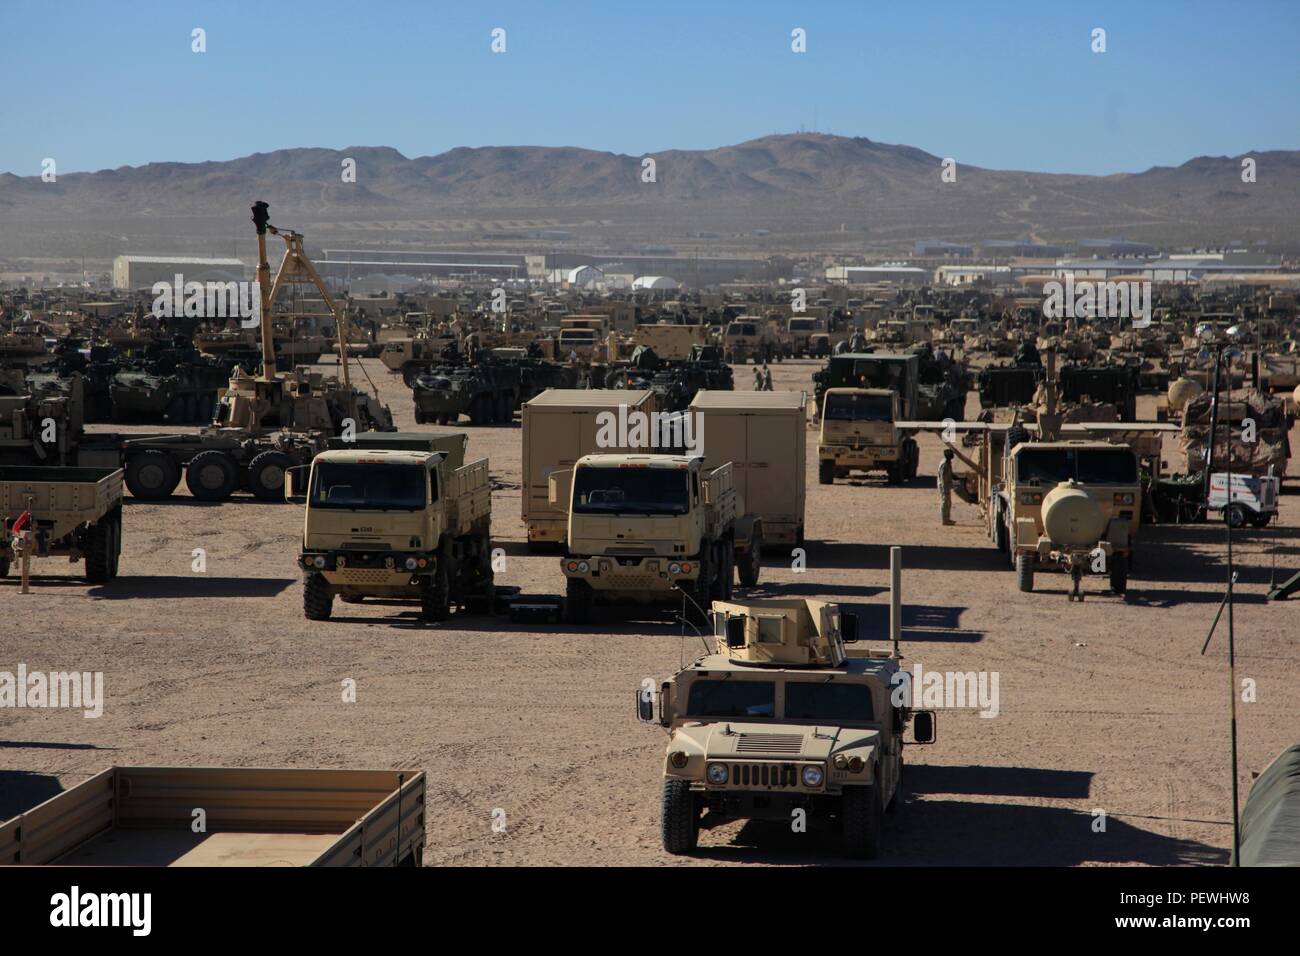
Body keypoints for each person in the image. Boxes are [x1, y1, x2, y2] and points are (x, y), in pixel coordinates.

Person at [937, 447, 955, 526]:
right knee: (945, 502)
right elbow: (943, 477)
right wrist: (945, 489)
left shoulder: (948, 462)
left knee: (948, 502)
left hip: (946, 485)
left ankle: (947, 518)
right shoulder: (944, 464)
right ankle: (945, 520)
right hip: (944, 486)